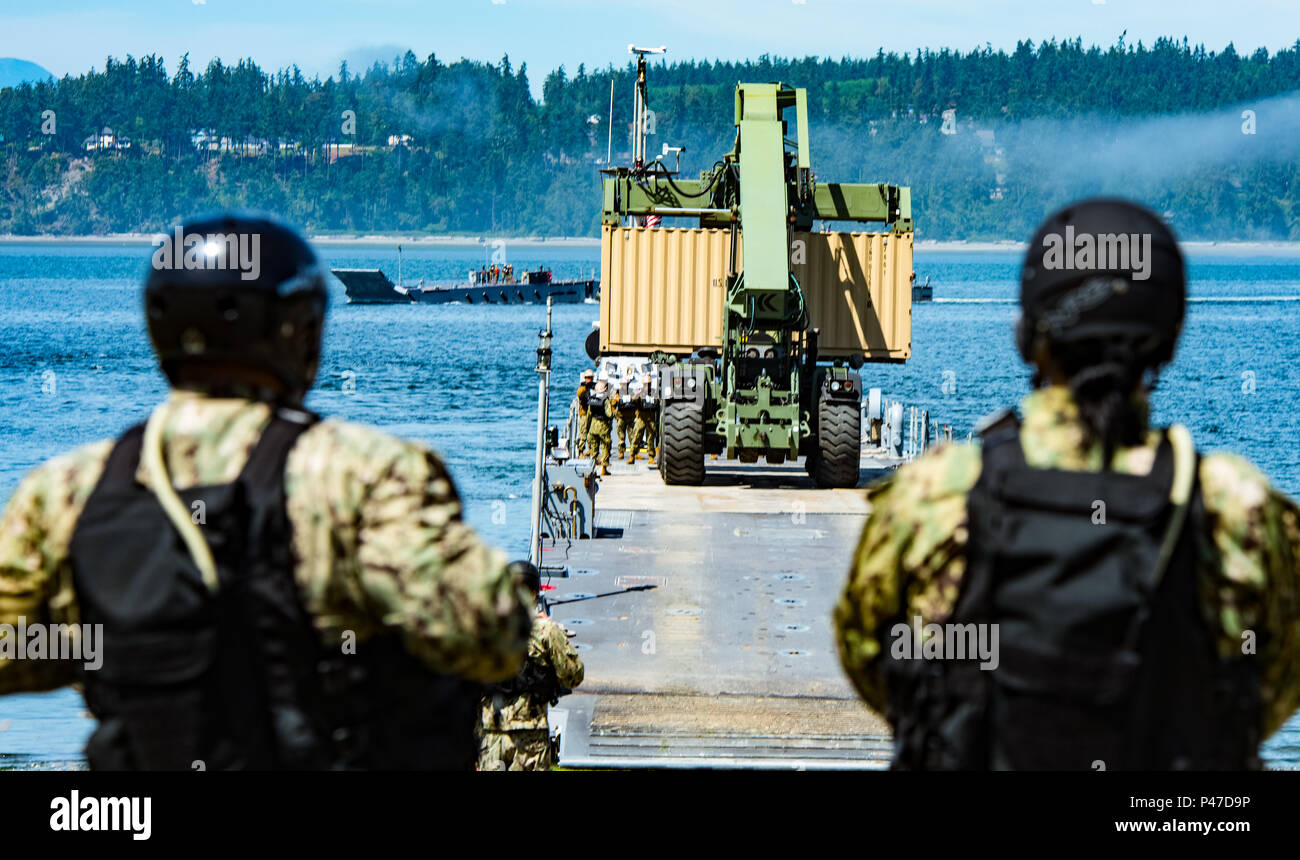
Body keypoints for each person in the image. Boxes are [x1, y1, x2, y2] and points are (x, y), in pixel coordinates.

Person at [0, 213, 533, 770]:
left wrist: (128, 649)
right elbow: (491, 635)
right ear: (296, 332)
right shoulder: (364, 473)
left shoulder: (66, 490)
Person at [834, 198, 1300, 770]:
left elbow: (868, 651)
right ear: (1171, 339)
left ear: (1028, 336)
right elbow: (1274, 684)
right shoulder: (1236, 504)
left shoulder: (938, 490)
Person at [477, 562, 584, 771]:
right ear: (535, 592)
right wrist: (557, 634)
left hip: (491, 734)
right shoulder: (546, 631)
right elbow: (573, 675)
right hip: (531, 736)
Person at [586, 379, 614, 477]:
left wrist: (587, 428)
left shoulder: (592, 399)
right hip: (603, 427)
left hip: (593, 426)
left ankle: (591, 469)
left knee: (593, 448)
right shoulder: (605, 400)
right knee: (605, 447)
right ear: (605, 388)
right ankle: (604, 468)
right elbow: (609, 414)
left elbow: (588, 414)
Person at [630, 375, 658, 466]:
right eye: (646, 384)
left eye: (649, 384)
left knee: (650, 438)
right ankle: (632, 455)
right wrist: (638, 394)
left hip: (650, 418)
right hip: (641, 418)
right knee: (636, 437)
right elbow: (632, 400)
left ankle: (651, 457)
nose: (647, 386)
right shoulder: (640, 392)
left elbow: (658, 402)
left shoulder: (654, 392)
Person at [575, 369, 595, 458]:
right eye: (587, 378)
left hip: (592, 413)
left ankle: (590, 450)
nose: (589, 380)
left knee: (591, 433)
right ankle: (580, 451)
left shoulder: (594, 387)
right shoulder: (582, 387)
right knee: (583, 433)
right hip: (584, 413)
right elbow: (579, 394)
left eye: (590, 378)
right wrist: (585, 386)